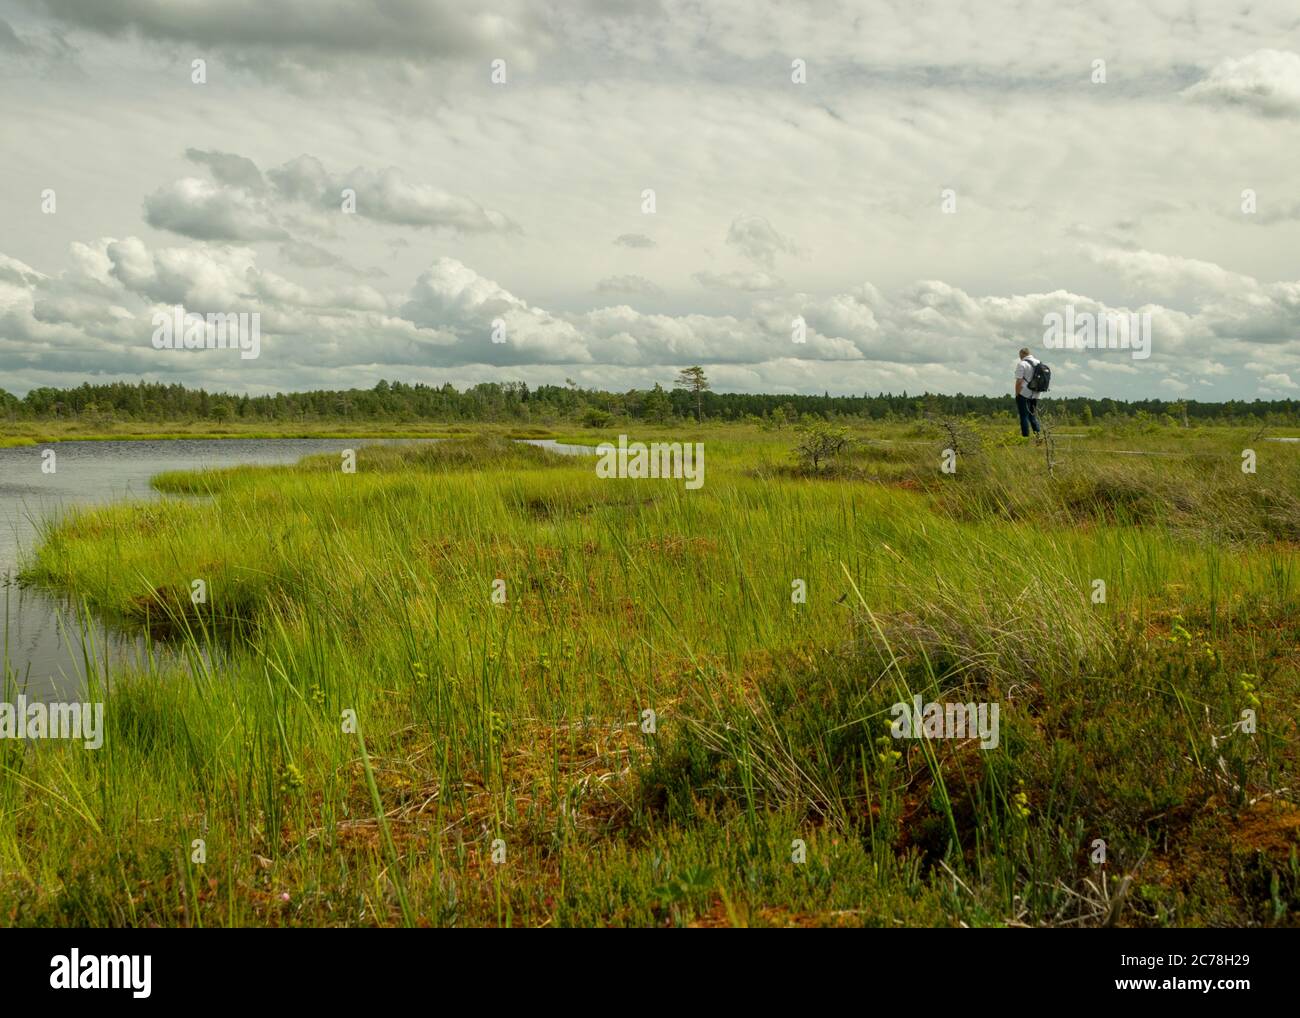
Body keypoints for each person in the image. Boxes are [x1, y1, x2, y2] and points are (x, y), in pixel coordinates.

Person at [1014, 347, 1042, 440]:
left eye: (1020, 355)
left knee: (1024, 416)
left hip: (1024, 393)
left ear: (1022, 354)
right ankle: (1038, 439)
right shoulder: (1038, 362)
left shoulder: (1022, 364)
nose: (1019, 357)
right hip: (1036, 394)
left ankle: (1025, 439)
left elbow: (1019, 381)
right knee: (1032, 417)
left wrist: (1017, 394)